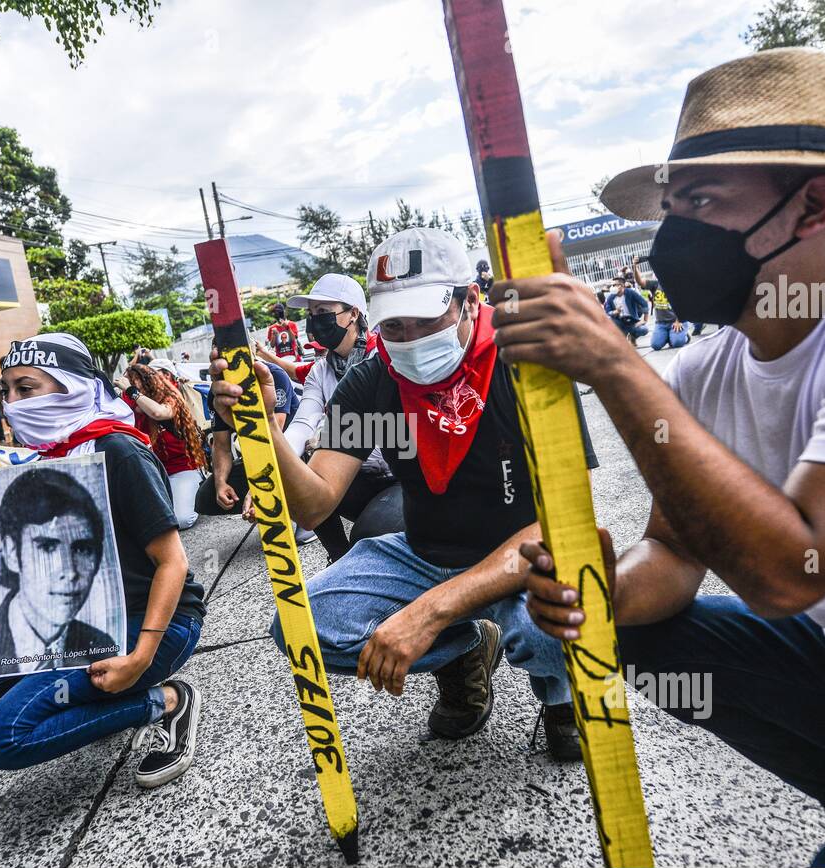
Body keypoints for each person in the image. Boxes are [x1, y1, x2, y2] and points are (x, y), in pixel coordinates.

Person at [500, 47, 825, 865]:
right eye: (673, 206)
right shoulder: (707, 370)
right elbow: (673, 551)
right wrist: (600, 592)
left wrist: (614, 363)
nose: (675, 235)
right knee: (630, 638)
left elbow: (790, 571)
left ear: (813, 205)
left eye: (701, 202)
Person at [210, 228, 599, 760]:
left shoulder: (528, 364)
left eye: (426, 318)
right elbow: (317, 501)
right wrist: (266, 429)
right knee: (303, 629)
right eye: (395, 323)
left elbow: (569, 520)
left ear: (469, 301)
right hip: (425, 551)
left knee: (562, 619)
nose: (411, 338)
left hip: (524, 557)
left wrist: (432, 612)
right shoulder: (370, 383)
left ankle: (559, 694)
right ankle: (464, 651)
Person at [0, 332, 205, 788]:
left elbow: (174, 563)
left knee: (3, 737)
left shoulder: (118, 451)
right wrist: (1, 540)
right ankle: (88, 699)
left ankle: (166, 699)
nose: (12, 403)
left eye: (26, 388)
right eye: (6, 391)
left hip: (153, 623)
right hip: (83, 618)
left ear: (71, 386)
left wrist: (139, 655)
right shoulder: (43, 459)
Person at [280, 272, 404, 562]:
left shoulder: (383, 361)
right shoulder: (320, 371)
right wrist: (273, 468)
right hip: (354, 477)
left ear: (353, 314)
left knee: (369, 533)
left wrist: (325, 435)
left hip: (399, 477)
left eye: (323, 312)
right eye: (311, 315)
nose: (315, 322)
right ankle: (339, 558)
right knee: (302, 474)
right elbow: (302, 423)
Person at [0, 469, 119, 678]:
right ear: (11, 553)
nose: (70, 571)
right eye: (47, 547)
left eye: (82, 549)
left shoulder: (101, 644)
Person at [196, 347, 299, 516]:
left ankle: (295, 510)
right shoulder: (218, 392)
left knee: (299, 527)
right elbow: (221, 446)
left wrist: (260, 486)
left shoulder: (274, 374)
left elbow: (276, 437)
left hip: (292, 453)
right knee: (206, 497)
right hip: (256, 456)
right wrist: (220, 483)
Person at [115, 362, 206, 530]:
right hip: (153, 471)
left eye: (135, 380)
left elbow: (158, 412)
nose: (131, 384)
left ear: (147, 380)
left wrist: (131, 391)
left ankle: (199, 486)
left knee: (182, 519)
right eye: (129, 381)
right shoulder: (127, 403)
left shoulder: (168, 396)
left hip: (181, 468)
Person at [631, 259, 689, 350]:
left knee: (677, 343)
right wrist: (635, 267)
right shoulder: (655, 284)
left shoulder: (677, 285)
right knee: (655, 345)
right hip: (661, 323)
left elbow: (684, 304)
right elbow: (640, 282)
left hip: (676, 321)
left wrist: (679, 320)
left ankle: (685, 336)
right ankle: (669, 336)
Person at [604, 277, 649, 343]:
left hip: (632, 321)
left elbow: (644, 303)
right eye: (612, 285)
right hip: (619, 321)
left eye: (614, 285)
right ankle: (621, 337)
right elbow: (607, 312)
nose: (612, 287)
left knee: (644, 330)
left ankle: (632, 336)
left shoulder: (630, 293)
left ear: (622, 285)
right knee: (609, 321)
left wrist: (644, 320)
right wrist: (615, 312)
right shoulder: (611, 297)